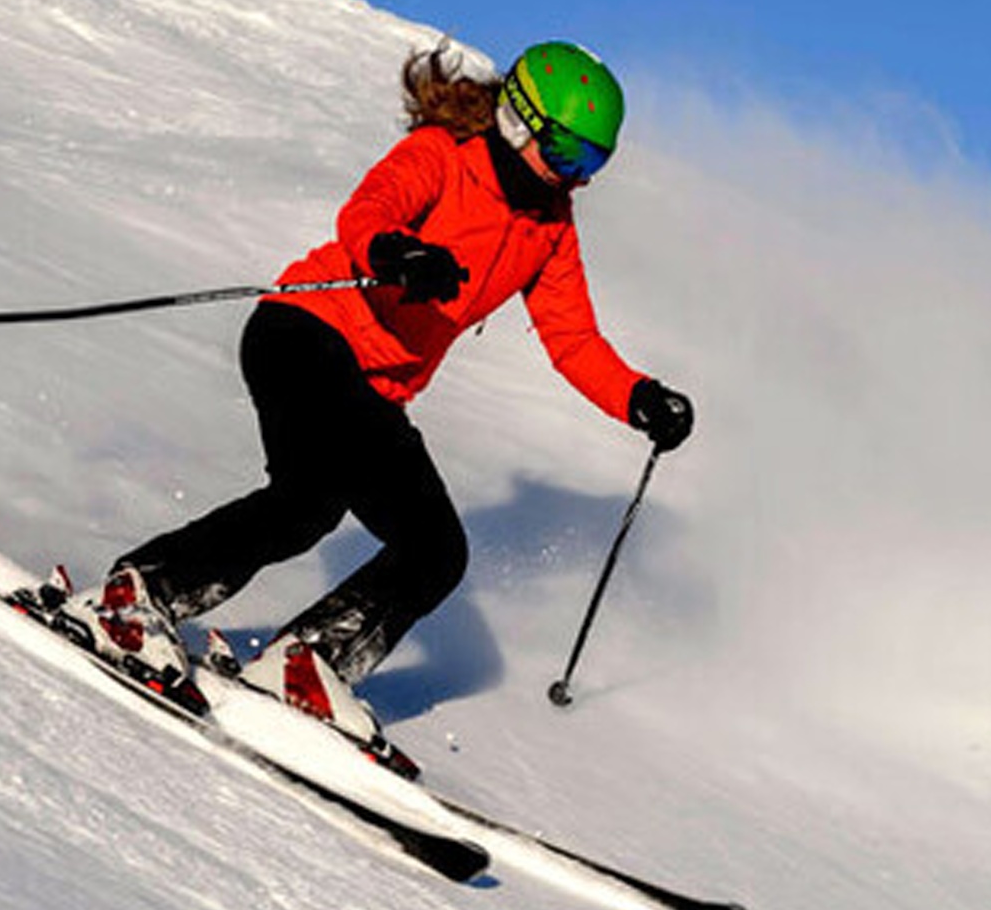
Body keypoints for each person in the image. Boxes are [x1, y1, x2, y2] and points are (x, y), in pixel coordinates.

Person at [61, 40, 694, 747]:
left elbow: (573, 340)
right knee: (311, 505)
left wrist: (638, 398)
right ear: (519, 122)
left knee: (433, 549)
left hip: (375, 388)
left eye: (593, 166)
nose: (575, 180)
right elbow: (369, 213)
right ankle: (135, 599)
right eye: (570, 156)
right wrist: (398, 253)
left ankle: (308, 663)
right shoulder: (441, 154)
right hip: (305, 332)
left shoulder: (548, 228)